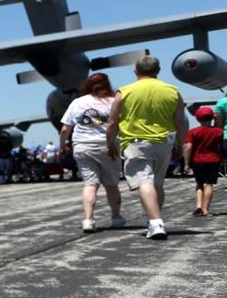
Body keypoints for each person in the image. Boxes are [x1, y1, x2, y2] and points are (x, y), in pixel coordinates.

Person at [106, 54, 187, 239]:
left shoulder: (124, 91)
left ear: (135, 71)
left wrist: (109, 144)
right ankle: (156, 218)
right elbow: (180, 121)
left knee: (144, 182)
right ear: (158, 71)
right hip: (164, 142)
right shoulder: (173, 91)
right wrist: (181, 143)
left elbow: (112, 122)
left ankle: (156, 223)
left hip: (136, 143)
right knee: (157, 183)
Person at [60, 72, 126, 233]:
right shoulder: (115, 101)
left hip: (82, 146)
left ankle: (88, 220)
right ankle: (116, 217)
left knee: (90, 184)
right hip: (108, 146)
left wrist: (62, 146)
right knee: (111, 184)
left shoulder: (77, 102)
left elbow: (65, 129)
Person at [183, 106, 223, 216]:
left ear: (197, 119)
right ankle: (206, 209)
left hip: (198, 161)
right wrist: (216, 117)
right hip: (213, 160)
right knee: (209, 184)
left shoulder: (193, 132)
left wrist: (186, 163)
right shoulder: (218, 132)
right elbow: (219, 125)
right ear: (212, 118)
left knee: (199, 183)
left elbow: (189, 147)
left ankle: (199, 206)